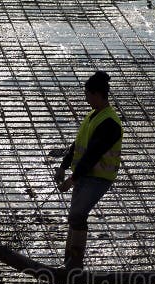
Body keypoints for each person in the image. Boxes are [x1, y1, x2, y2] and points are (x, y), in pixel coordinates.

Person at [55, 71, 123, 272]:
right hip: (85, 175)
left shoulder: (110, 123)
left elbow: (92, 155)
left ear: (97, 94)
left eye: (87, 94)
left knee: (78, 215)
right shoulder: (93, 116)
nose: (85, 98)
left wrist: (72, 180)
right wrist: (63, 165)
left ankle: (75, 264)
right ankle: (69, 262)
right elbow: (77, 145)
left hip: (99, 177)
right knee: (74, 217)